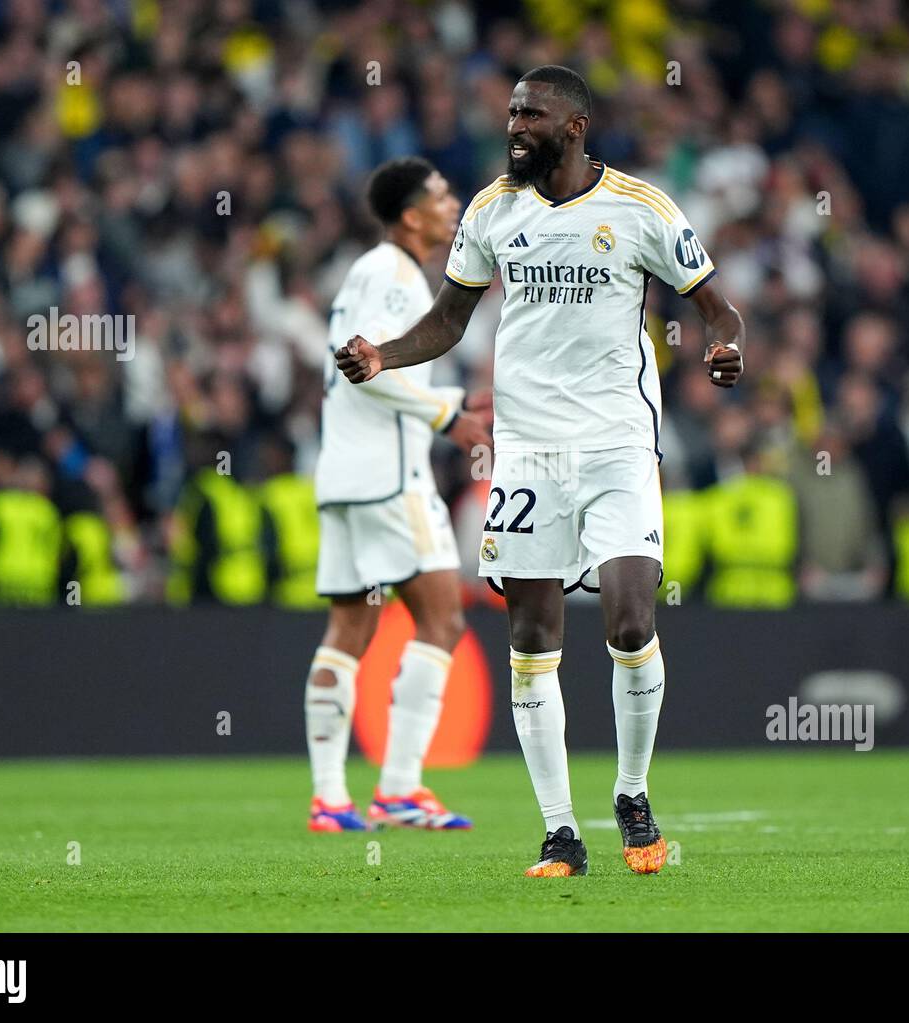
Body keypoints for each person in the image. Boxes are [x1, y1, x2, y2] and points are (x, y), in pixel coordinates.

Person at [336, 67, 743, 875]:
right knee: (531, 636)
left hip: (619, 440)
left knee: (630, 620)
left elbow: (717, 306)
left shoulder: (641, 207)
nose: (515, 124)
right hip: (527, 450)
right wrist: (384, 353)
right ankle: (560, 829)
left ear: (576, 126)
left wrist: (725, 345)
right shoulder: (493, 209)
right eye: (512, 111)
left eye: (532, 113)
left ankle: (632, 794)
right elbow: (450, 320)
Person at [307, 157, 492, 832]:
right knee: (442, 617)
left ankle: (330, 798)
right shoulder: (394, 273)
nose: (453, 204)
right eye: (442, 195)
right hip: (389, 473)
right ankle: (401, 789)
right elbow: (367, 366)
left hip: (344, 474)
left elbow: (365, 366)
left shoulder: (367, 270)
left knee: (348, 629)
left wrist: (449, 398)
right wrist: (448, 416)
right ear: (411, 215)